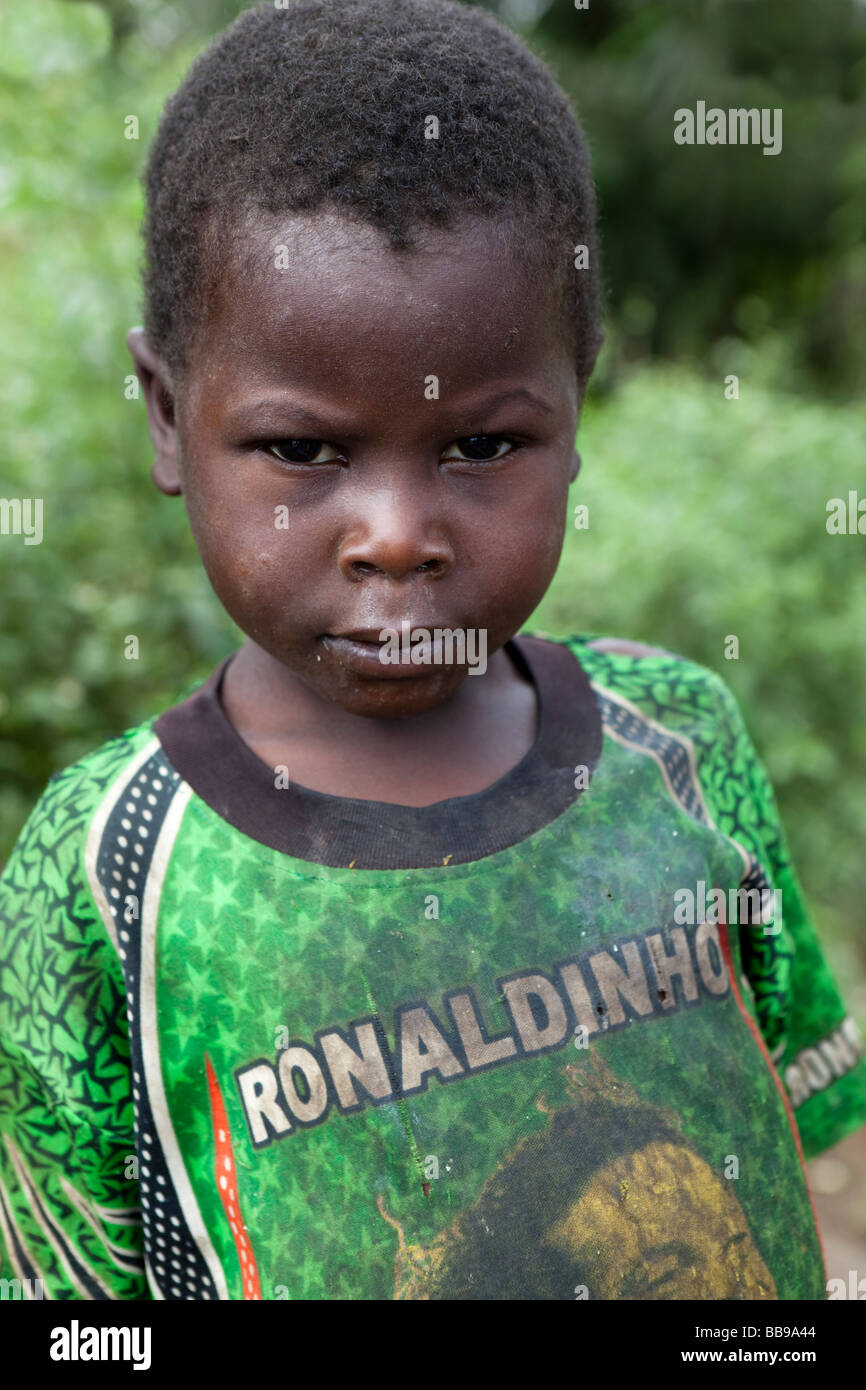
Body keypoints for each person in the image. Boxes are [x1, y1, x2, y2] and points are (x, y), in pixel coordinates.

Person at [1, 0, 864, 1302]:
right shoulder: (107, 867)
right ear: (171, 418)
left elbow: (774, 1133)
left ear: (578, 406)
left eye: (480, 446)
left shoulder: (676, 742)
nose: (396, 540)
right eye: (302, 450)